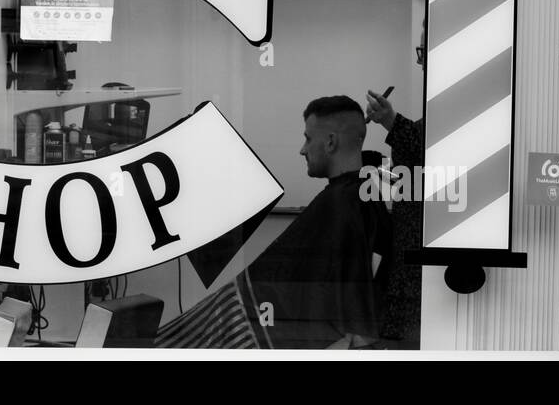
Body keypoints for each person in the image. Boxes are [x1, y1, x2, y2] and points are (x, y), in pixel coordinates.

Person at [156, 94, 391, 349]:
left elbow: (348, 308)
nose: (302, 149)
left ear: (331, 142)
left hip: (233, 326)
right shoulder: (360, 197)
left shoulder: (341, 204)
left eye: (308, 138)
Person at [364, 24, 426, 348]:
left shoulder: (458, 108)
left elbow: (426, 157)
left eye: (423, 51)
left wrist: (390, 121)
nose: (420, 61)